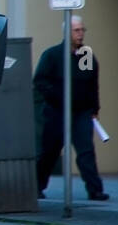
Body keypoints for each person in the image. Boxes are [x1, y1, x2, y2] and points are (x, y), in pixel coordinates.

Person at [33, 15, 107, 200]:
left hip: (81, 112)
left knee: (86, 151)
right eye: (77, 30)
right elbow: (40, 81)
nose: (81, 34)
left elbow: (91, 84)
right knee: (49, 151)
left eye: (82, 30)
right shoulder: (53, 55)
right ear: (67, 32)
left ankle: (95, 190)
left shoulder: (85, 55)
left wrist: (94, 109)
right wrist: (56, 96)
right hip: (57, 111)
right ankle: (36, 187)